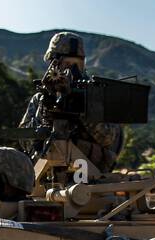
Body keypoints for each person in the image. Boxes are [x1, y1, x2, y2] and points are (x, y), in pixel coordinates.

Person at [19, 31, 124, 177]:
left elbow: (109, 138)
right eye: (65, 63)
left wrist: (82, 108)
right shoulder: (40, 99)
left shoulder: (96, 95)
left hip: (90, 178)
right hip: (46, 176)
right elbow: (24, 141)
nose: (70, 69)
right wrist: (46, 118)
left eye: (75, 64)